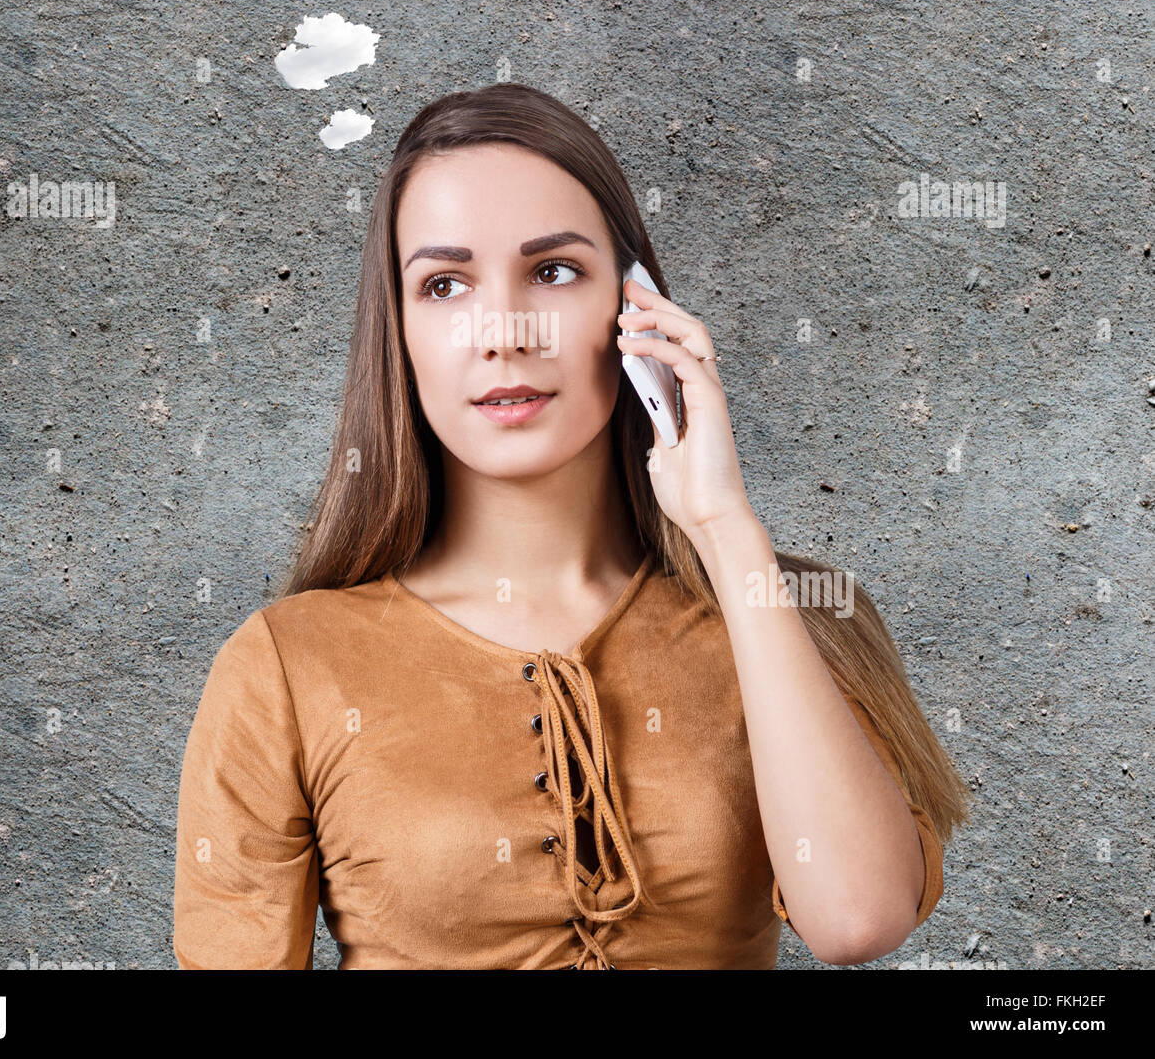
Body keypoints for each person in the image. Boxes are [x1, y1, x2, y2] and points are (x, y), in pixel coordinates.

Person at [172, 82, 970, 969]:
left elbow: (858, 919)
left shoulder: (788, 618)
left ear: (637, 310)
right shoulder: (287, 664)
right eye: (444, 285)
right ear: (397, 332)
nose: (503, 331)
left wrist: (725, 528)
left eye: (553, 272)